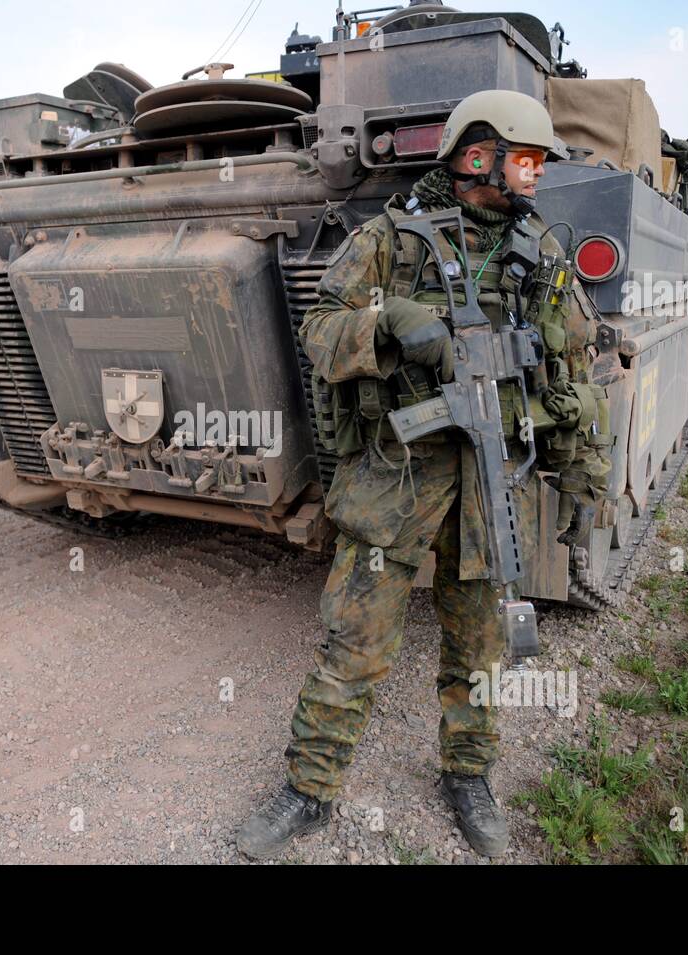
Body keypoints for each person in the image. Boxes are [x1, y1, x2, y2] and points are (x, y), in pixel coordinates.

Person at [237, 91, 612, 860]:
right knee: (355, 643)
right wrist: (386, 326)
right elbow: (319, 332)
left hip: (488, 487)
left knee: (478, 648)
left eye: (540, 162)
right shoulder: (390, 241)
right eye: (526, 159)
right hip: (397, 478)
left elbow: (574, 377)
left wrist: (581, 484)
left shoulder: (541, 258)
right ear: (478, 155)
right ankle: (308, 789)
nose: (536, 176)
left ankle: (468, 775)